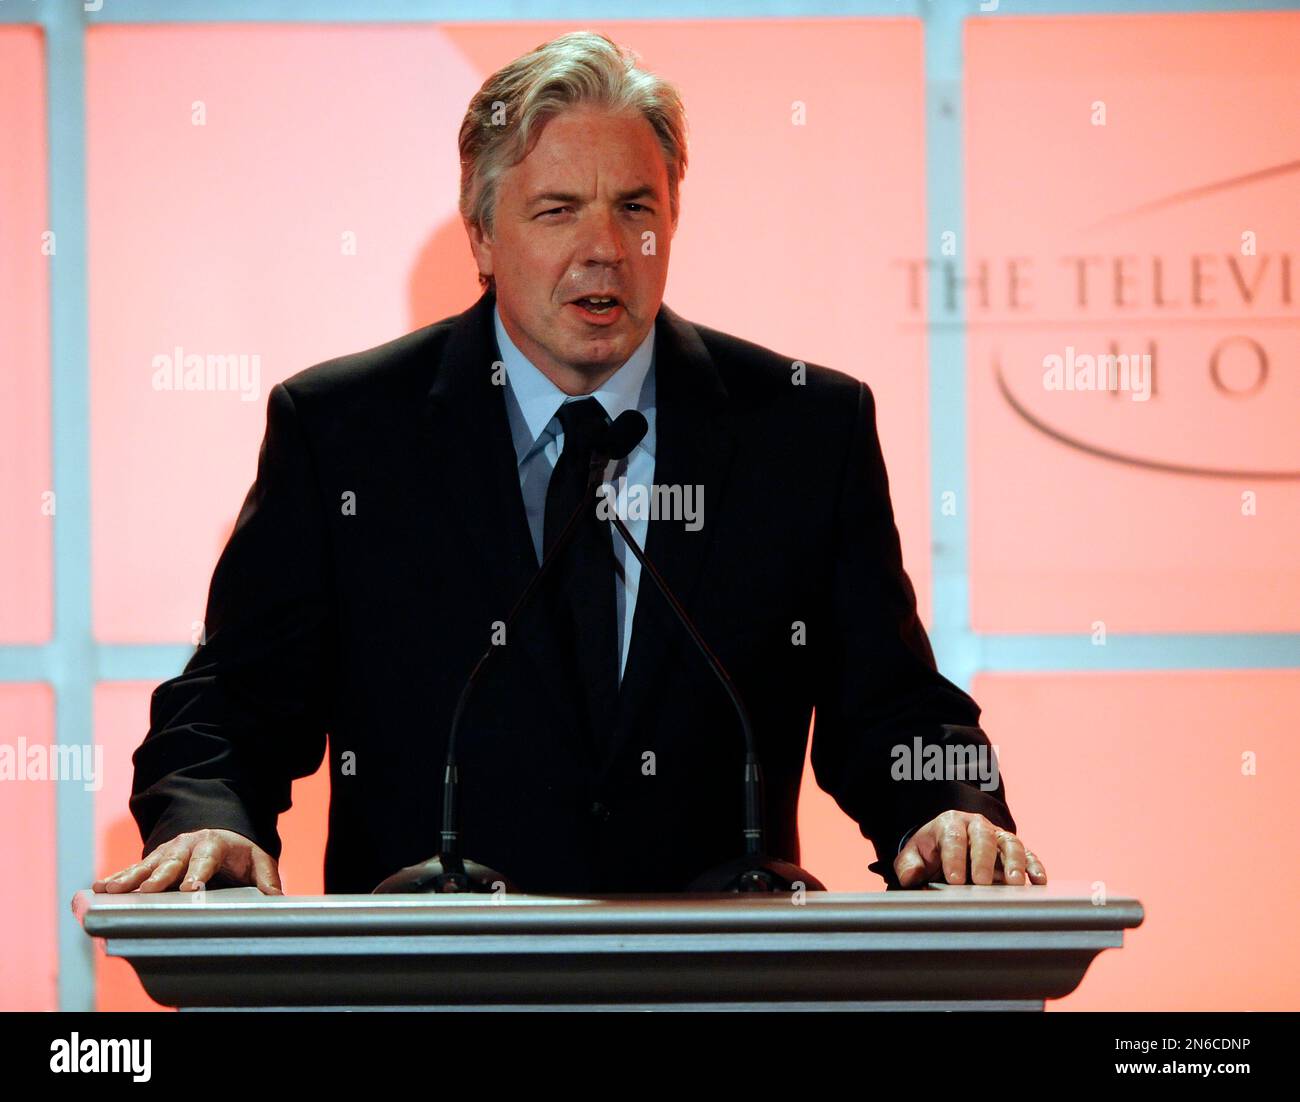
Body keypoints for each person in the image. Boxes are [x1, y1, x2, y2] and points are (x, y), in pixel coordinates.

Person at [94, 30, 1045, 898]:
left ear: (672, 219)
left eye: (635, 207)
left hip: (715, 994)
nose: (604, 249)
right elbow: (231, 705)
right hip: (427, 997)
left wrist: (948, 807)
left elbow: (888, 704)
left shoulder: (801, 430)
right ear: (481, 234)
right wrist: (209, 822)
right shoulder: (346, 431)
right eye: (557, 210)